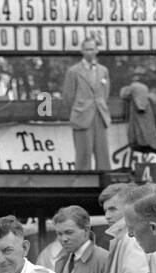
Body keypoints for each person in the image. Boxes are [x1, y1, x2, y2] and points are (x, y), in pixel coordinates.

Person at [62, 37, 112, 172]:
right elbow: (68, 96)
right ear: (82, 51)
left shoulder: (103, 70)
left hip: (100, 115)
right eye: (86, 49)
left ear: (97, 50)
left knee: (103, 157)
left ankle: (104, 188)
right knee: (83, 157)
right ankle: (83, 187)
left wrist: (100, 105)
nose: (89, 52)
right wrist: (79, 109)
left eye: (92, 49)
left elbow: (105, 93)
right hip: (82, 116)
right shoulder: (73, 71)